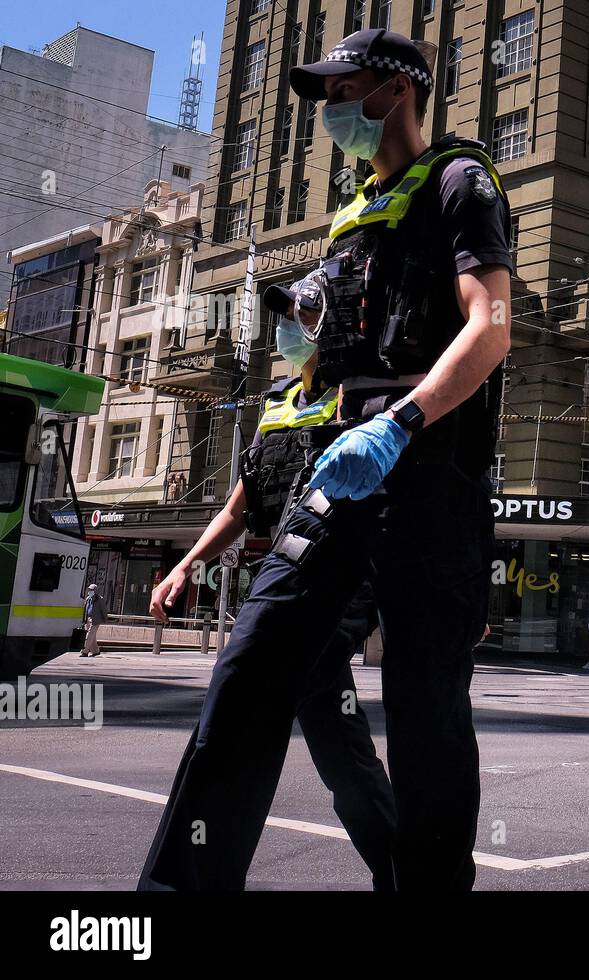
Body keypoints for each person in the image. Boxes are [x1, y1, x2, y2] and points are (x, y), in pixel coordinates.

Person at [139, 27, 513, 891]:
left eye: (345, 89)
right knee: (250, 667)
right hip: (339, 469)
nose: (332, 109)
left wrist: (403, 423)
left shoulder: (459, 180)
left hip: (426, 473)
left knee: (426, 714)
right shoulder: (350, 213)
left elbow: (489, 327)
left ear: (397, 90)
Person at [145, 339, 396, 891]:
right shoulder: (277, 402)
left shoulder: (359, 392)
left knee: (245, 692)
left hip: (341, 577)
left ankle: (189, 881)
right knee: (339, 746)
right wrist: (185, 564)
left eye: (308, 311)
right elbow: (241, 503)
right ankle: (403, 871)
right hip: (287, 570)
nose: (291, 328)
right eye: (284, 316)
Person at [80, 584, 107, 658]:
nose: (90, 591)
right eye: (89, 589)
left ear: (95, 591)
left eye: (92, 590)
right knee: (92, 636)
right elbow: (85, 610)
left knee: (89, 635)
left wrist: (105, 619)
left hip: (96, 620)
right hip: (88, 619)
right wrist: (83, 619)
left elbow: (104, 610)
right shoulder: (88, 598)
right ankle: (96, 651)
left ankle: (85, 651)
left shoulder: (100, 599)